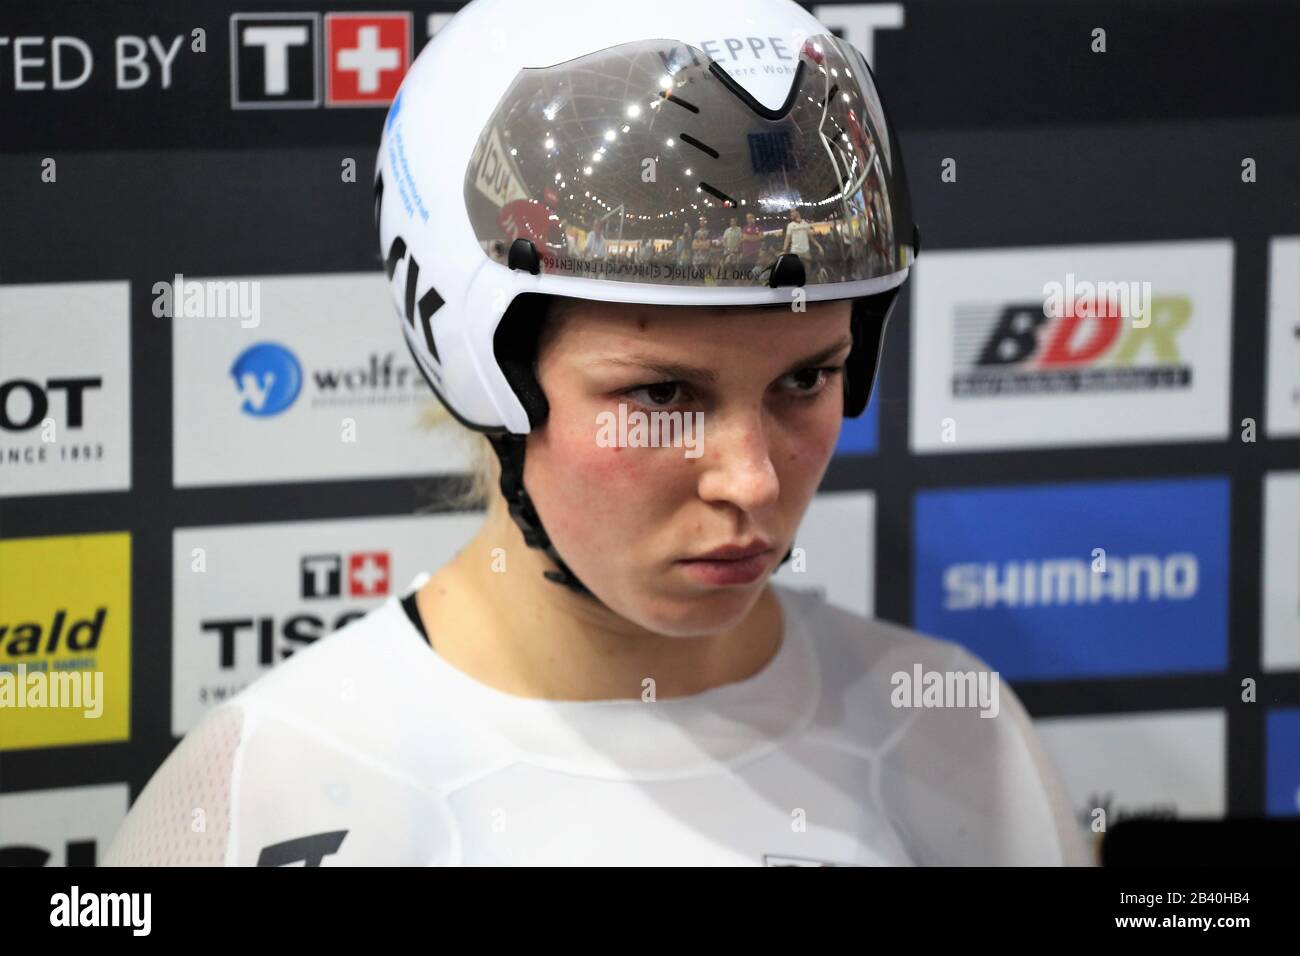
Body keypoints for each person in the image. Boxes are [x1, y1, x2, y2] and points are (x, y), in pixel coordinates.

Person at [101, 0, 1088, 867]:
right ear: (475, 365)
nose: (749, 482)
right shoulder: (254, 791)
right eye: (662, 392)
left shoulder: (955, 731)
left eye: (805, 376)